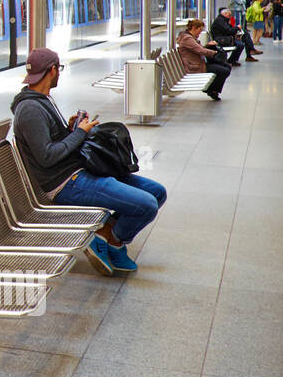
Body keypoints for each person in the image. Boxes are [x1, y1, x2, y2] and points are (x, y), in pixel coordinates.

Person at [10, 47, 167, 276]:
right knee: (147, 205)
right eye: (59, 69)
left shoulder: (42, 100)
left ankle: (106, 235)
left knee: (157, 192)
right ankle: (111, 240)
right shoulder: (30, 109)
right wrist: (80, 133)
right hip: (65, 183)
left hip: (78, 169)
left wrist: (70, 128)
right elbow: (47, 156)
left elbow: (52, 142)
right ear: (53, 70)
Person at [177, 19, 228, 100]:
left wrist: (207, 45)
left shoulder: (189, 37)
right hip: (195, 67)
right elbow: (200, 50)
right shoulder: (187, 39)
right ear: (194, 28)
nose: (200, 32)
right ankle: (211, 90)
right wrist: (214, 52)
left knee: (226, 67)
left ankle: (212, 90)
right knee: (224, 70)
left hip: (198, 63)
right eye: (199, 30)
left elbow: (198, 49)